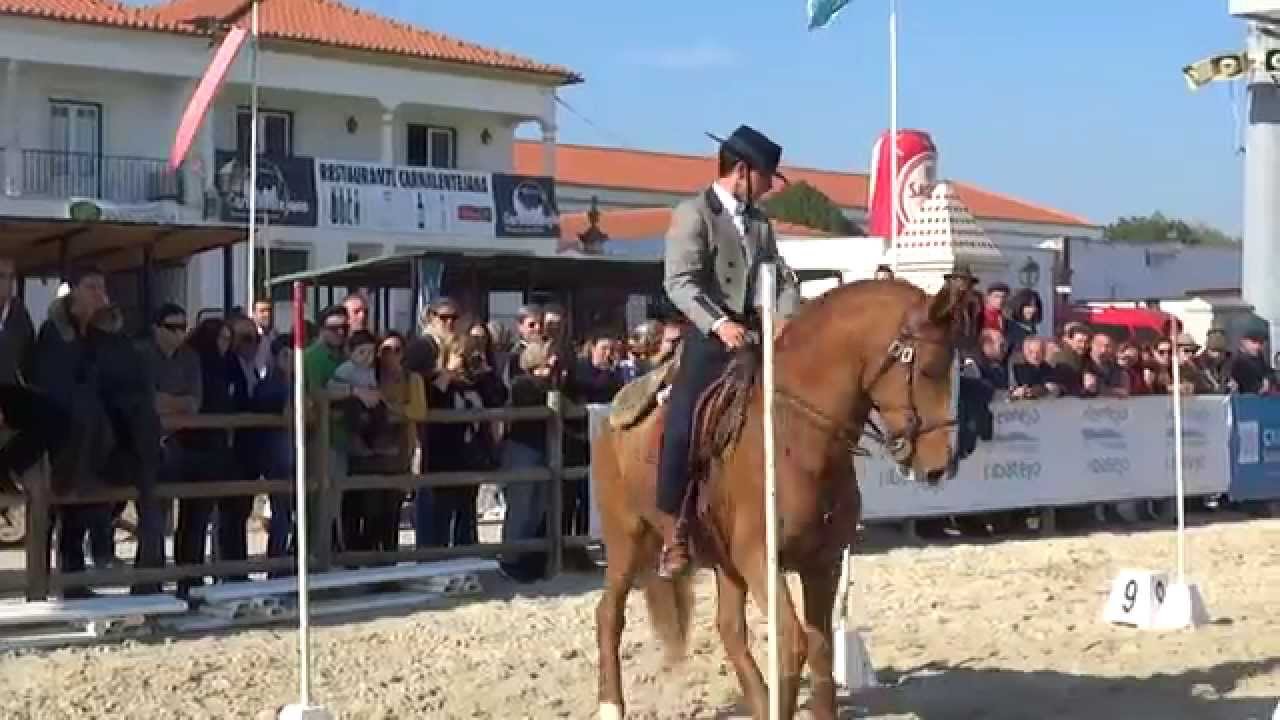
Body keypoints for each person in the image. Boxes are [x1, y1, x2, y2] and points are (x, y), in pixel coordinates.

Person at [656, 124, 801, 578]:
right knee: (683, 422)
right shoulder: (693, 213)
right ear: (743, 171)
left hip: (756, 337)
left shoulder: (760, 223)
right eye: (765, 179)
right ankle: (674, 530)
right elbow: (680, 281)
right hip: (709, 336)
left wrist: (782, 313)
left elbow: (781, 275)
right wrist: (720, 324)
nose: (768, 189)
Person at [0, 255, 35, 386]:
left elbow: (29, 358)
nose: (8, 283)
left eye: (11, 277)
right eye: (1, 276)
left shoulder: (19, 313)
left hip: (10, 393)